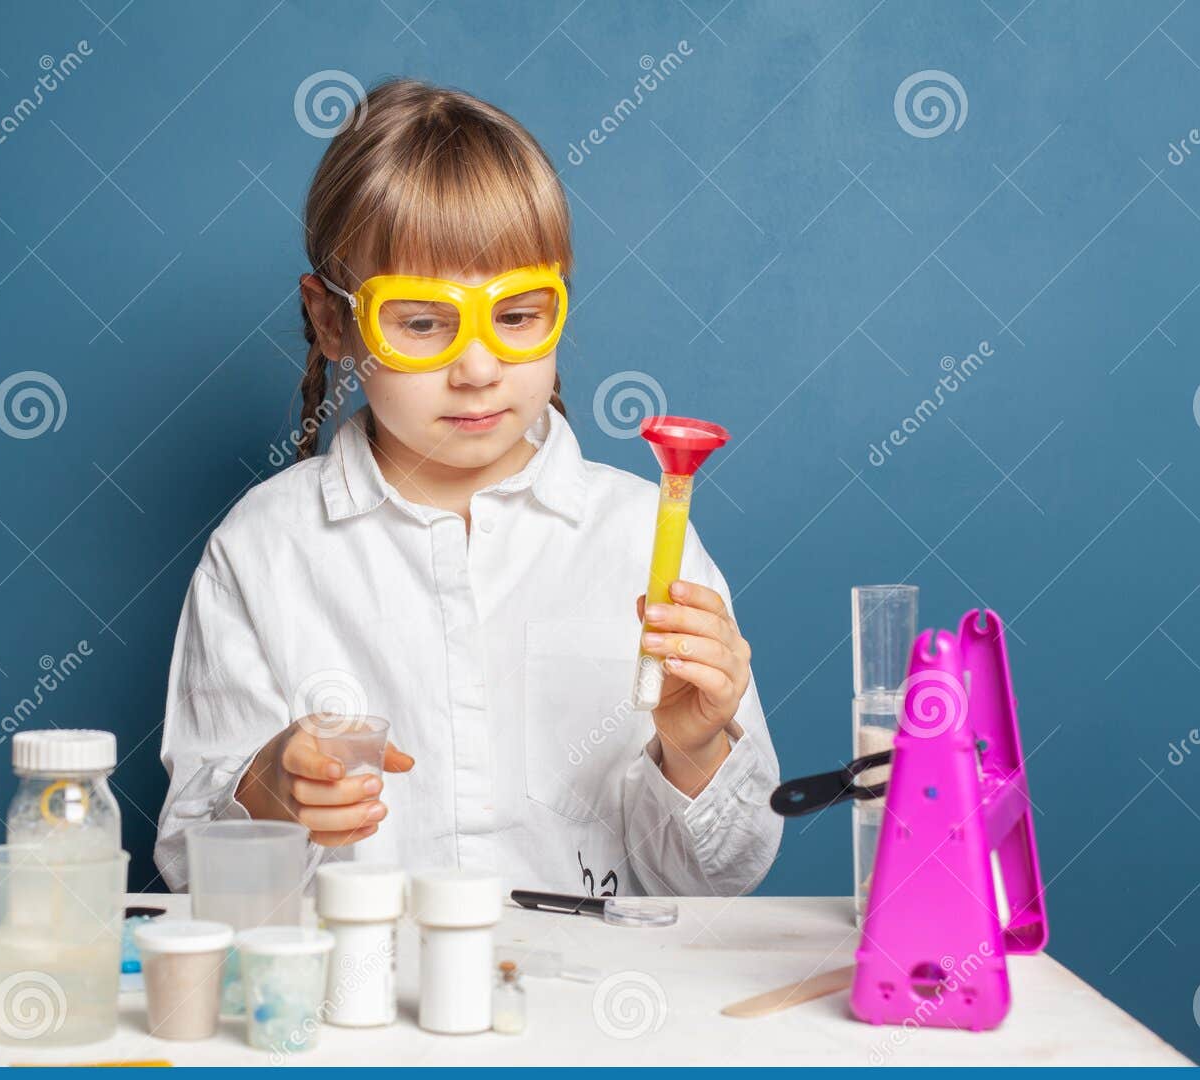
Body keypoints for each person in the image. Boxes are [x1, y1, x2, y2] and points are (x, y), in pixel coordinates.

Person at [154, 78, 780, 897]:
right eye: (422, 322)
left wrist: (694, 749)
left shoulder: (638, 538)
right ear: (334, 321)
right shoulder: (265, 549)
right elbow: (195, 874)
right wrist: (269, 792)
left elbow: (718, 883)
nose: (479, 368)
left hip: (589, 978)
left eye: (516, 316)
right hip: (361, 979)